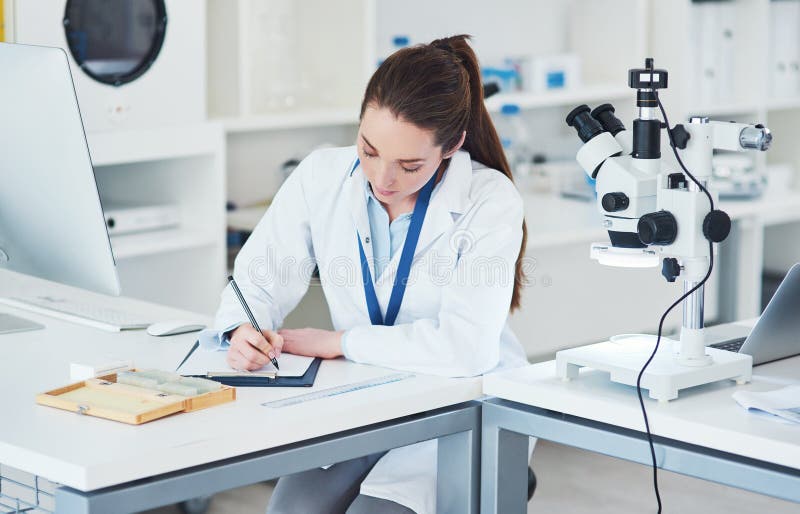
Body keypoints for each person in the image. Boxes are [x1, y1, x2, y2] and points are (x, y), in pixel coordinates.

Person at [201, 34, 529, 514]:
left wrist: (339, 342)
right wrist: (241, 327)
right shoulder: (321, 175)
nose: (381, 179)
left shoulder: (490, 200)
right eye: (369, 150)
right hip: (366, 393)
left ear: (453, 146)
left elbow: (467, 347)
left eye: (410, 165)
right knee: (291, 511)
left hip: (461, 399)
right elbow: (261, 275)